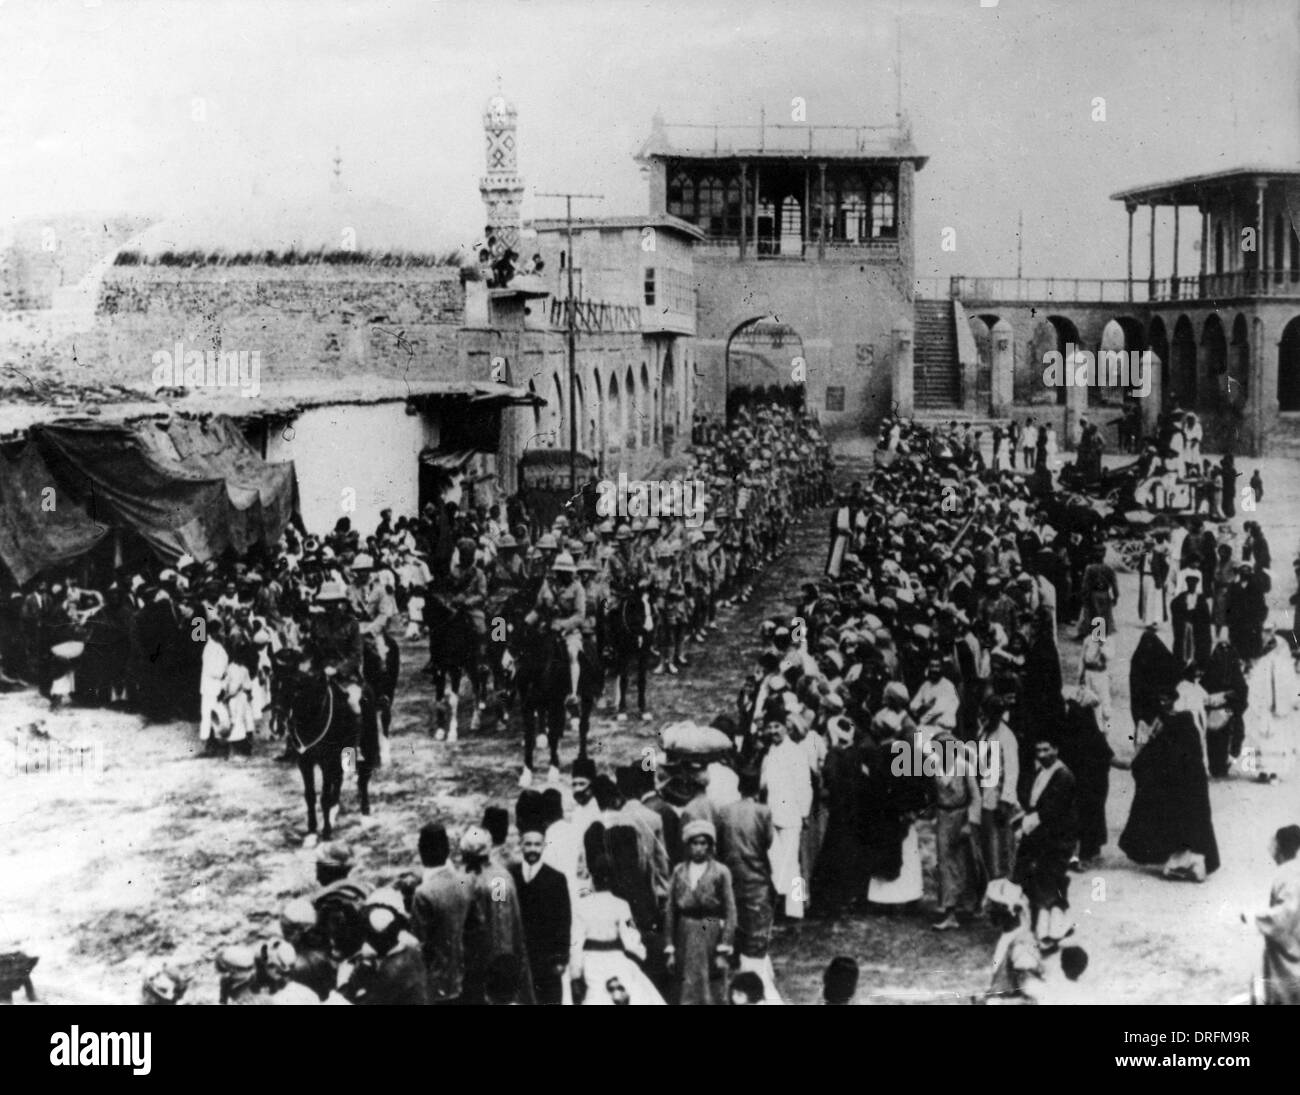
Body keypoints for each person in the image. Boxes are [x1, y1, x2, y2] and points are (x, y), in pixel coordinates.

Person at [1119, 686, 1221, 881]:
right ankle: (1190, 864)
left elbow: (1163, 751)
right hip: (1185, 781)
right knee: (1188, 823)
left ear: (1173, 700)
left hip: (1187, 780)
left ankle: (1191, 864)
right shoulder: (1176, 720)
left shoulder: (1176, 721)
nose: (1164, 703)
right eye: (1161, 699)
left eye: (1166, 699)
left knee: (1189, 823)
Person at [715, 764, 779, 1000]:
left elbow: (719, 849)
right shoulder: (763, 812)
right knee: (756, 939)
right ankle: (755, 991)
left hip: (732, 882)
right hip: (756, 882)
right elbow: (769, 845)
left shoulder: (723, 812)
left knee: (735, 934)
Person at [570, 854, 665, 1005]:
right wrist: (639, 954)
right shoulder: (620, 905)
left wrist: (575, 972)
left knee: (598, 995)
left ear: (592, 878)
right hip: (615, 959)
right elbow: (630, 937)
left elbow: (576, 941)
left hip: (591, 961)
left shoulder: (582, 906)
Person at [663, 819, 737, 1005]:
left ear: (710, 845)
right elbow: (671, 910)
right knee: (686, 985)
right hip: (685, 933)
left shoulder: (720, 872)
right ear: (688, 846)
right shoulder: (679, 871)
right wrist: (670, 946)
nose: (699, 848)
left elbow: (730, 910)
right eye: (694, 843)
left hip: (710, 931)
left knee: (711, 985)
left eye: (703, 843)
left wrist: (724, 946)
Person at [1014, 734, 1078, 949]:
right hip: (1045, 838)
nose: (1041, 755)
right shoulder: (1043, 771)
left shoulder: (1063, 776)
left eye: (1046, 750)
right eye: (1038, 751)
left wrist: (1026, 825)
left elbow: (1050, 811)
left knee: (1047, 885)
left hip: (1057, 839)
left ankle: (1048, 934)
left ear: (1056, 750)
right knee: (1047, 884)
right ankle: (1056, 928)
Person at [461, 826, 535, 1005]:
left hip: (497, 960)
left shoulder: (497, 880)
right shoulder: (471, 875)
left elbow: (502, 920)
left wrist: (501, 965)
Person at [409, 822, 474, 1005]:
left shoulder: (423, 893)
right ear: (447, 851)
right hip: (463, 976)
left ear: (421, 852)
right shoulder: (465, 882)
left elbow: (418, 944)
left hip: (436, 983)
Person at [510, 827, 572, 1005]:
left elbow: (564, 920)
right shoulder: (509, 875)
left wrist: (561, 958)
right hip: (519, 954)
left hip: (546, 958)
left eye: (537, 844)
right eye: (528, 844)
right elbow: (500, 908)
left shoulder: (556, 879)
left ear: (544, 846)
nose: (532, 849)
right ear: (521, 846)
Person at [1244, 824, 1300, 1005]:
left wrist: (1255, 918)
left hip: (1291, 946)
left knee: (1286, 986)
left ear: (1279, 849)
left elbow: (1286, 915)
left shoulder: (1288, 874)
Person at [1243, 620, 1298, 782]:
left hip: (1277, 701)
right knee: (1257, 736)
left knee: (1276, 738)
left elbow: (1288, 673)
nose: (1266, 634)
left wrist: (1290, 697)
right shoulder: (1256, 646)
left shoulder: (1281, 645)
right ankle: (1260, 772)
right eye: (1264, 630)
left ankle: (1274, 772)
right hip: (1261, 699)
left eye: (1269, 630)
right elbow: (1252, 670)